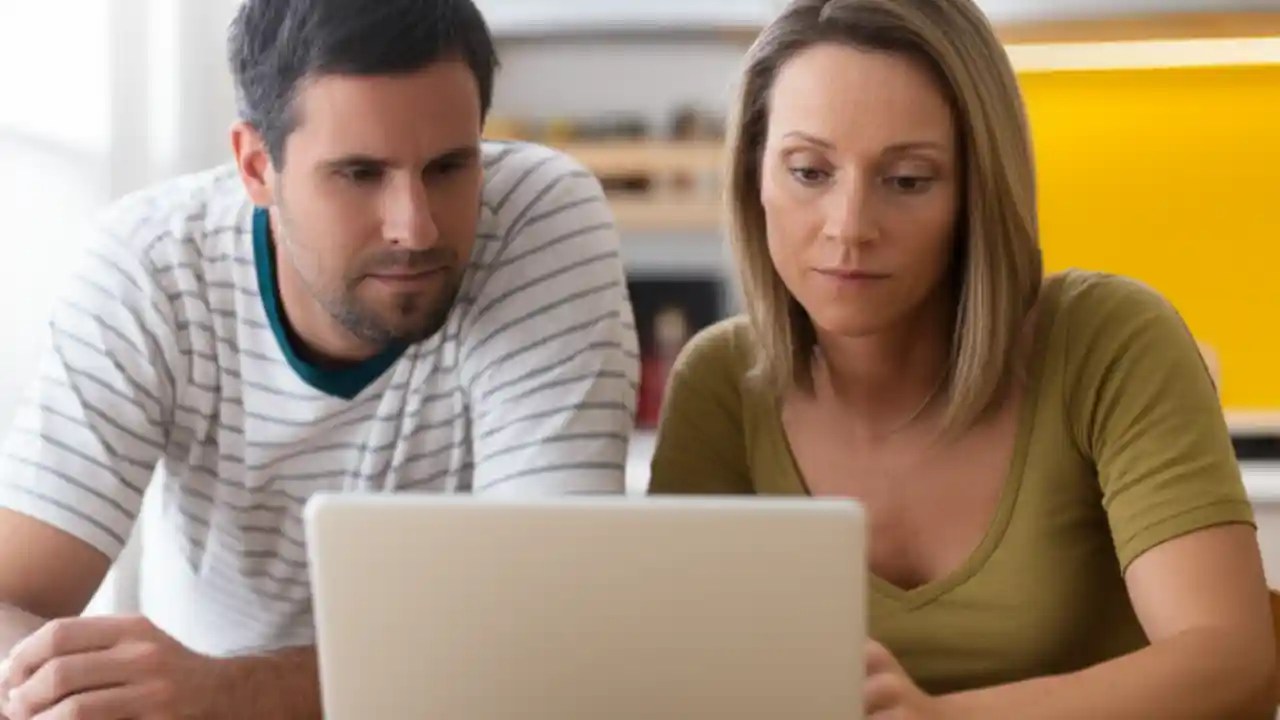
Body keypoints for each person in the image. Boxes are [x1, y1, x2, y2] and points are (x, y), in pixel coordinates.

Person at [0, 0, 638, 717]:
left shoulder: (535, 219)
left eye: (450, 166)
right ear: (255, 166)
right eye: (360, 173)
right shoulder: (151, 264)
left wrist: (228, 692)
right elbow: (9, 600)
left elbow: (554, 626)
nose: (415, 227)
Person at [648, 0, 1276, 717]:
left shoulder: (1109, 341)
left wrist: (945, 717)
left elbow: (1234, 661)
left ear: (977, 193)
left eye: (908, 180)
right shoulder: (720, 385)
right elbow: (682, 679)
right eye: (809, 172)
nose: (849, 228)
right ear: (753, 176)